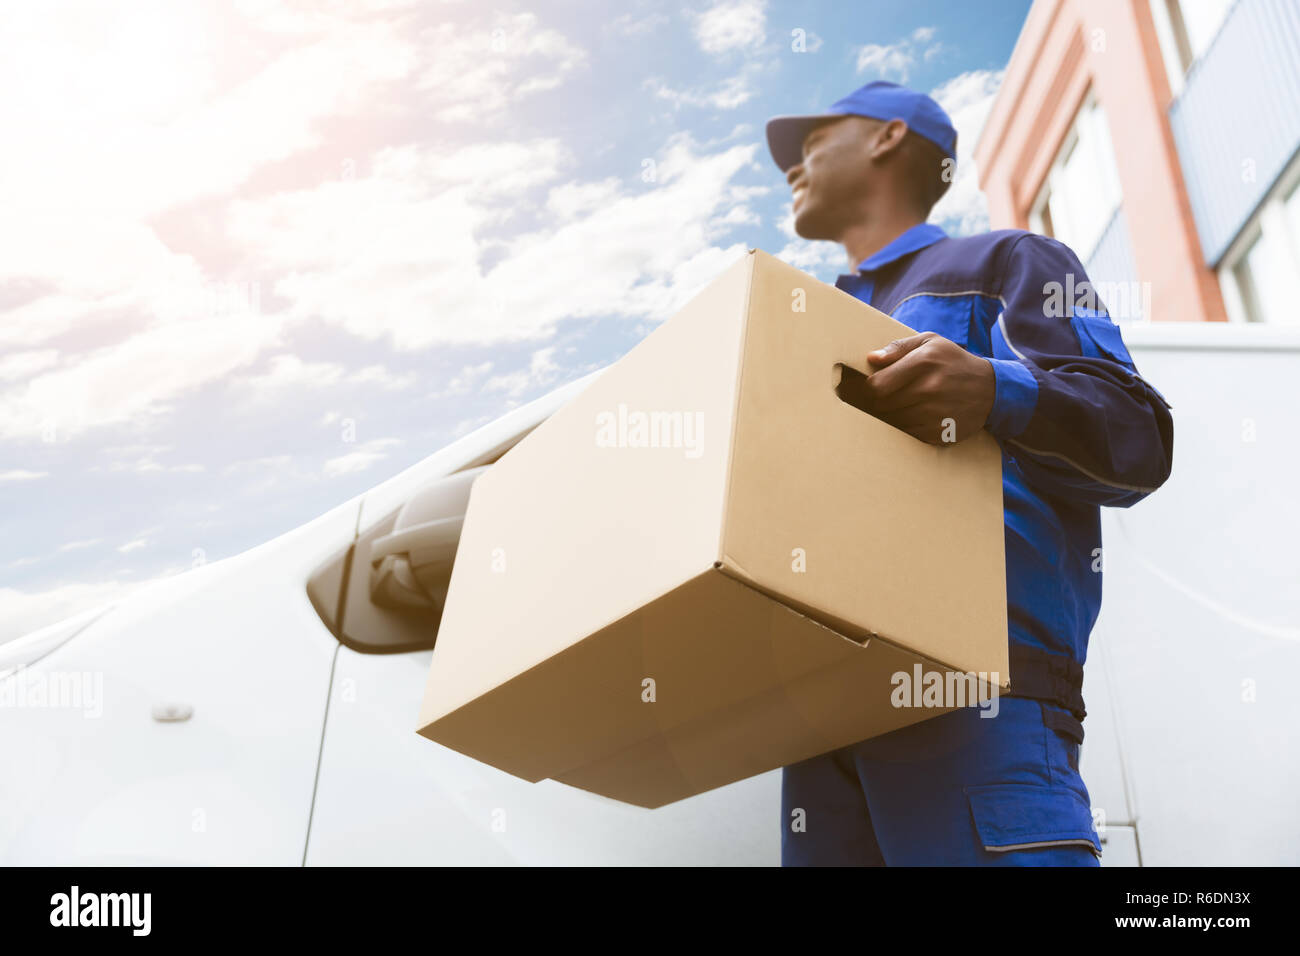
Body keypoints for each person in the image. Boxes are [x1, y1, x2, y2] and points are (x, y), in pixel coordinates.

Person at [767, 80, 1174, 866]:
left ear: (889, 136)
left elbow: (1139, 437)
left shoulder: (1006, 262)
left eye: (813, 138)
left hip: (979, 699)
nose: (793, 164)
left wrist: (995, 389)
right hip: (818, 730)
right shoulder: (798, 325)